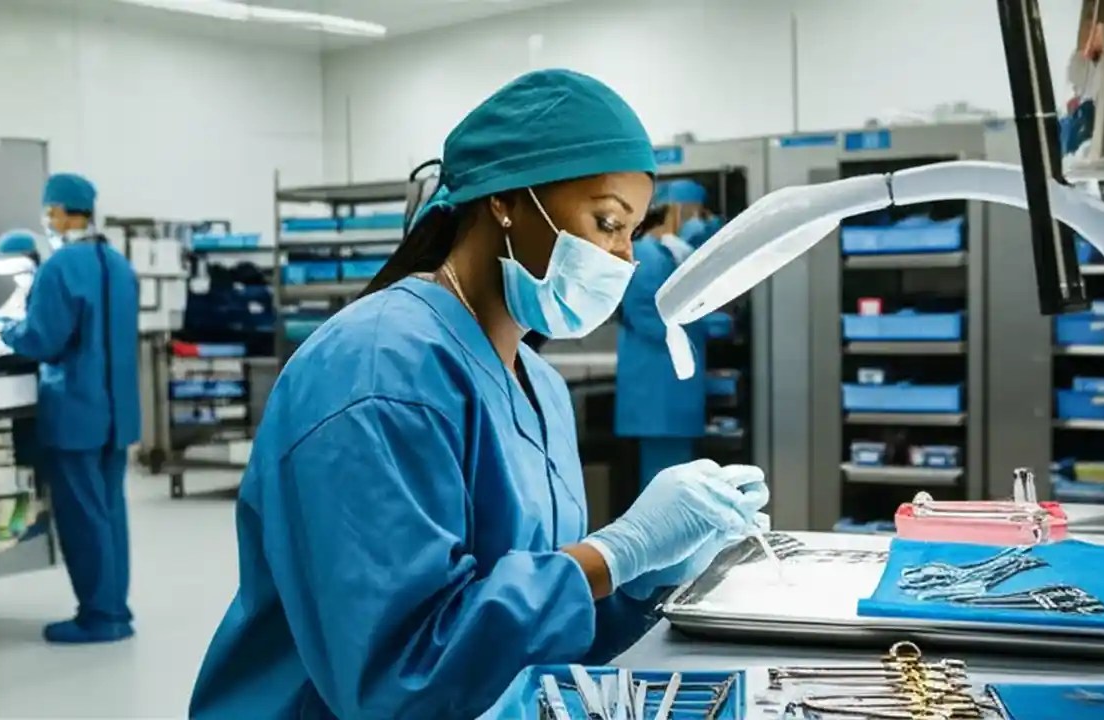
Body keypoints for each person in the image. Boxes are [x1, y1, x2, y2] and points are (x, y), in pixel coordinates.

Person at [189, 69, 768, 720]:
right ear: (506, 201)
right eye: (607, 222)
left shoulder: (540, 385)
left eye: (632, 232)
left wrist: (640, 581)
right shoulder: (377, 373)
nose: (623, 259)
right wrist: (616, 552)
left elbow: (533, 635)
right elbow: (403, 678)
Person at [0, 173, 141, 644]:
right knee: (110, 512)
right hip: (117, 413)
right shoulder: (118, 265)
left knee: (82, 517)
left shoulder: (59, 268)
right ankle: (115, 608)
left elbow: (42, 338)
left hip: (77, 411)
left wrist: (6, 332)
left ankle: (99, 617)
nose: (48, 220)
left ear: (59, 212)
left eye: (49, 211)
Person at [616, 179, 710, 489]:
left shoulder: (667, 254)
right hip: (657, 394)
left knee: (675, 481)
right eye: (693, 212)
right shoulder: (647, 256)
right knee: (665, 485)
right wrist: (700, 323)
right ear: (674, 210)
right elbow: (649, 318)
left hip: (669, 395)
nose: (697, 219)